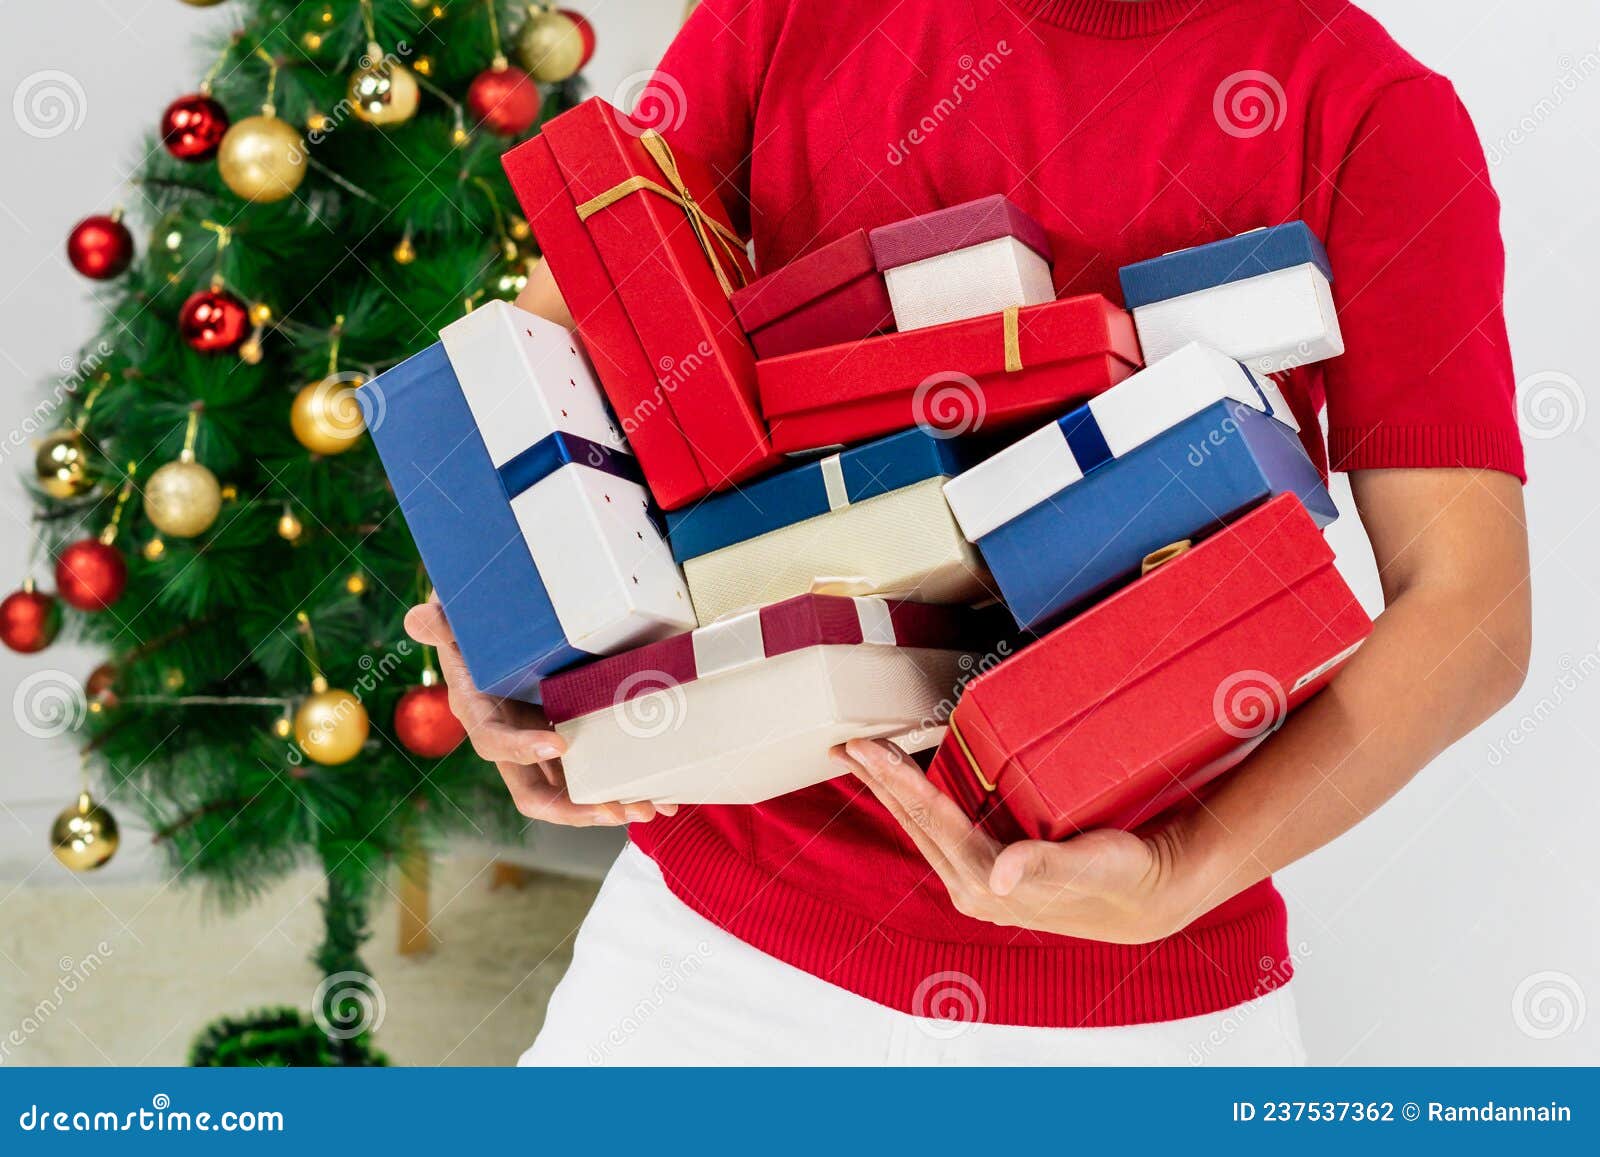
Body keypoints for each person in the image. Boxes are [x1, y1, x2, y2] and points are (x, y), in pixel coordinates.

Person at [404, 0, 1531, 1064]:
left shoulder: (1369, 106)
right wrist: (497, 622)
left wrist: (1182, 871)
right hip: (708, 941)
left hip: (1127, 1013)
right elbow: (554, 350)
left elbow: (1468, 603)